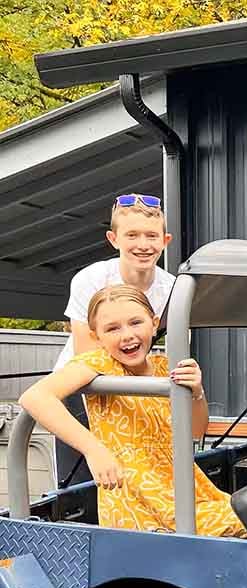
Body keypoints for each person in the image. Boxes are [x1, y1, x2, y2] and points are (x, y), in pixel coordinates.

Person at [20, 285, 247, 538]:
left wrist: (196, 392)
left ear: (154, 323)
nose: (127, 335)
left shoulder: (166, 367)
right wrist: (94, 450)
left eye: (135, 322)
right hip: (135, 502)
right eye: (112, 328)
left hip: (183, 489)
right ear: (97, 337)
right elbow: (35, 397)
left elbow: (196, 430)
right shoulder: (98, 363)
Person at [53, 194, 175, 486]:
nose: (143, 244)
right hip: (84, 388)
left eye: (151, 235)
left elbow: (177, 349)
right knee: (81, 487)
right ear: (113, 238)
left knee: (134, 480)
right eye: (132, 235)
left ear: (165, 240)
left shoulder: (172, 287)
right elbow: (88, 355)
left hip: (134, 389)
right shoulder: (92, 279)